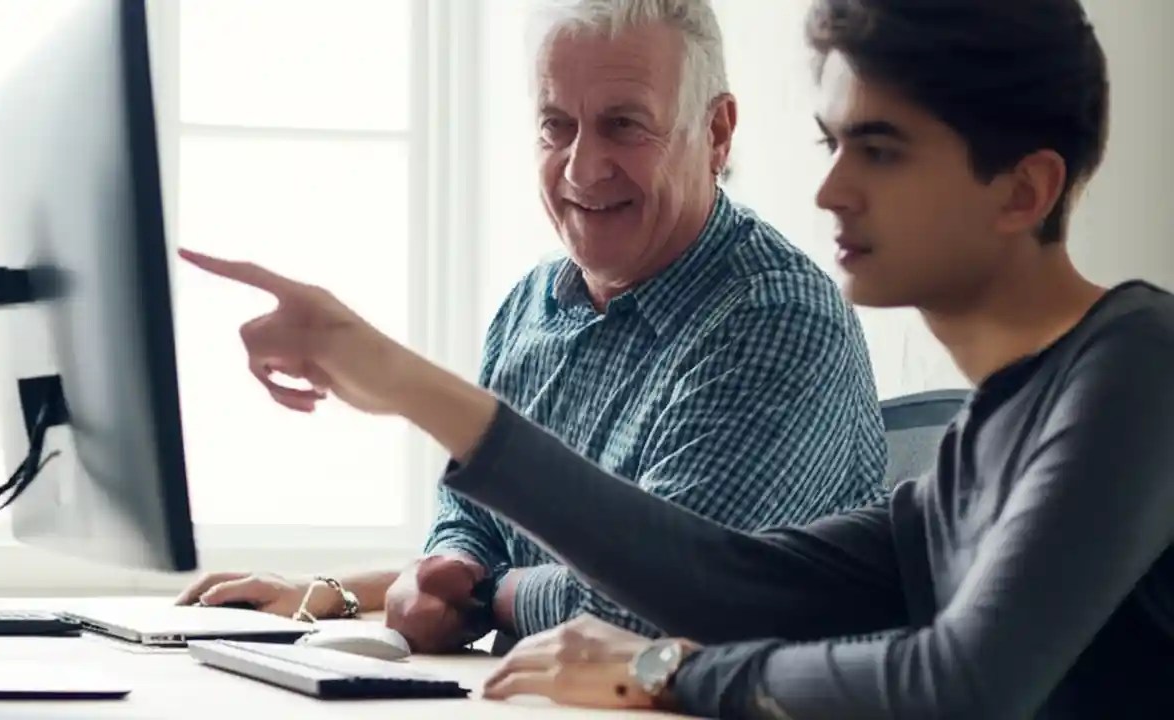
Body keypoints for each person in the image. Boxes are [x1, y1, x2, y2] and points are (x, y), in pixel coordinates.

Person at [181, 0, 1174, 715]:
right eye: (830, 144)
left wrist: (662, 671)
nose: (826, 191)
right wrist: (408, 387)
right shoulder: (996, 429)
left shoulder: (1138, 368)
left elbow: (961, 685)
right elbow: (729, 583)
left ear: (1019, 191)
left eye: (877, 149)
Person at [177, 0, 887, 654]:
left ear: (716, 131)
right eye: (556, 125)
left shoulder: (778, 319)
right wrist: (444, 569)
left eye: (623, 124)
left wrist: (486, 596)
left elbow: (661, 605)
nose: (581, 166)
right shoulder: (531, 303)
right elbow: (470, 521)